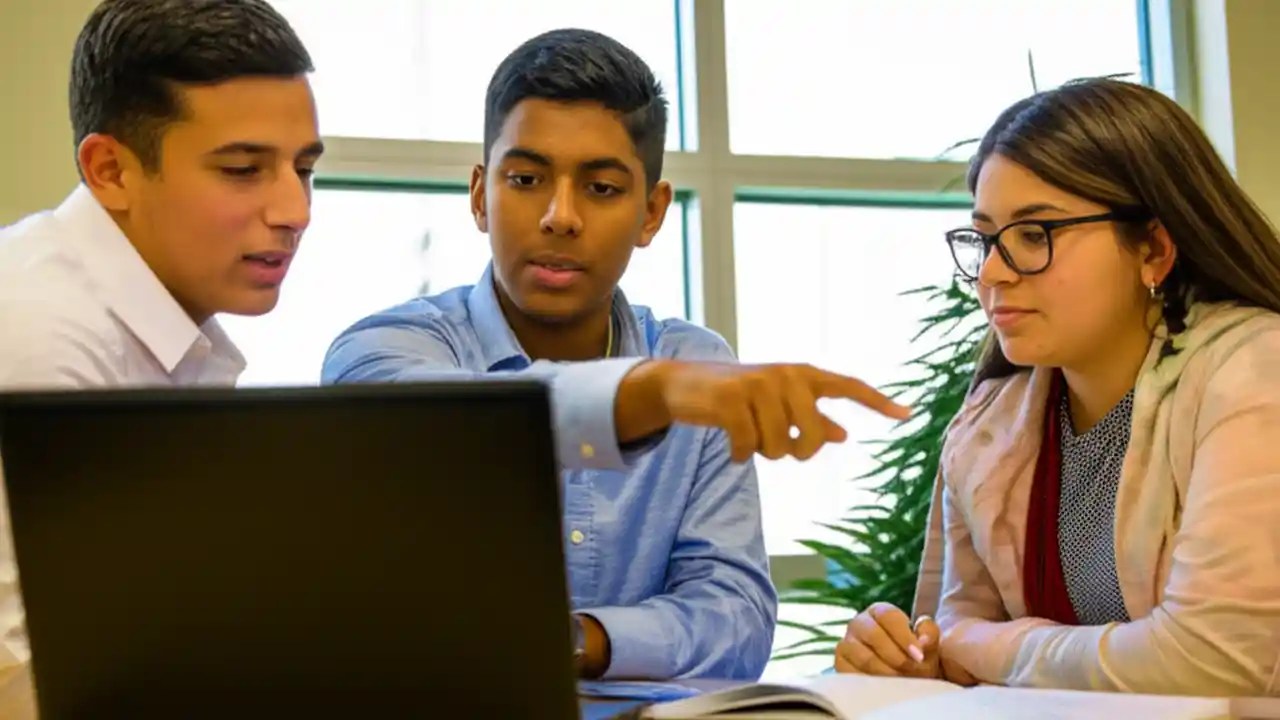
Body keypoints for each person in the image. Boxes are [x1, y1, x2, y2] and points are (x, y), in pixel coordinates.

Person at [322, 28, 908, 681]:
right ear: (480, 196)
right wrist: (653, 395)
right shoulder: (382, 350)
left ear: (653, 213)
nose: (559, 216)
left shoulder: (697, 360)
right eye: (525, 179)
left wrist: (570, 640)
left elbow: (736, 619)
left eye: (600, 188)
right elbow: (444, 429)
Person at [833, 78, 1280, 696]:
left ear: (1153, 248)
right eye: (985, 238)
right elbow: (955, 650)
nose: (991, 272)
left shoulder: (1255, 368)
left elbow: (1212, 661)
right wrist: (906, 657)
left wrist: (985, 646)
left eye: (1034, 235)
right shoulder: (991, 423)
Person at [0, 0, 320, 711]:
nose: (295, 209)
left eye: (303, 169)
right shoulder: (39, 337)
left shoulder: (168, 326)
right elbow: (31, 682)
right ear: (110, 170)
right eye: (243, 169)